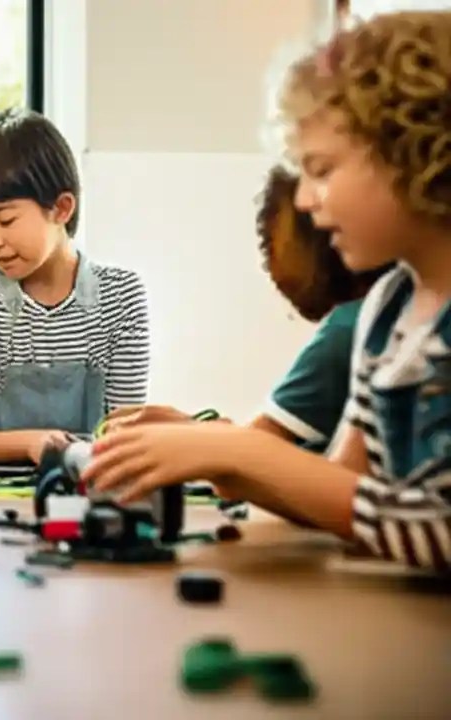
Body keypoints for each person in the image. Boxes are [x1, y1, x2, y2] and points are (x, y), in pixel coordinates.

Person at [85, 10, 451, 572]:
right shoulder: (387, 311)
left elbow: (436, 529)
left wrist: (236, 449)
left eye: (322, 170)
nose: (304, 200)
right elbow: (344, 491)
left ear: (416, 151)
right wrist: (209, 452)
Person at [101, 165, 391, 453]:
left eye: (269, 244)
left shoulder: (350, 329)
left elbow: (250, 452)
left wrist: (188, 433)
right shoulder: (387, 315)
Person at [0, 108, 151, 467]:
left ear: (62, 208)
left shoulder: (121, 297)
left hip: (88, 489)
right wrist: (34, 444)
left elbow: (123, 433)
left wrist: (63, 453)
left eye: (6, 219)